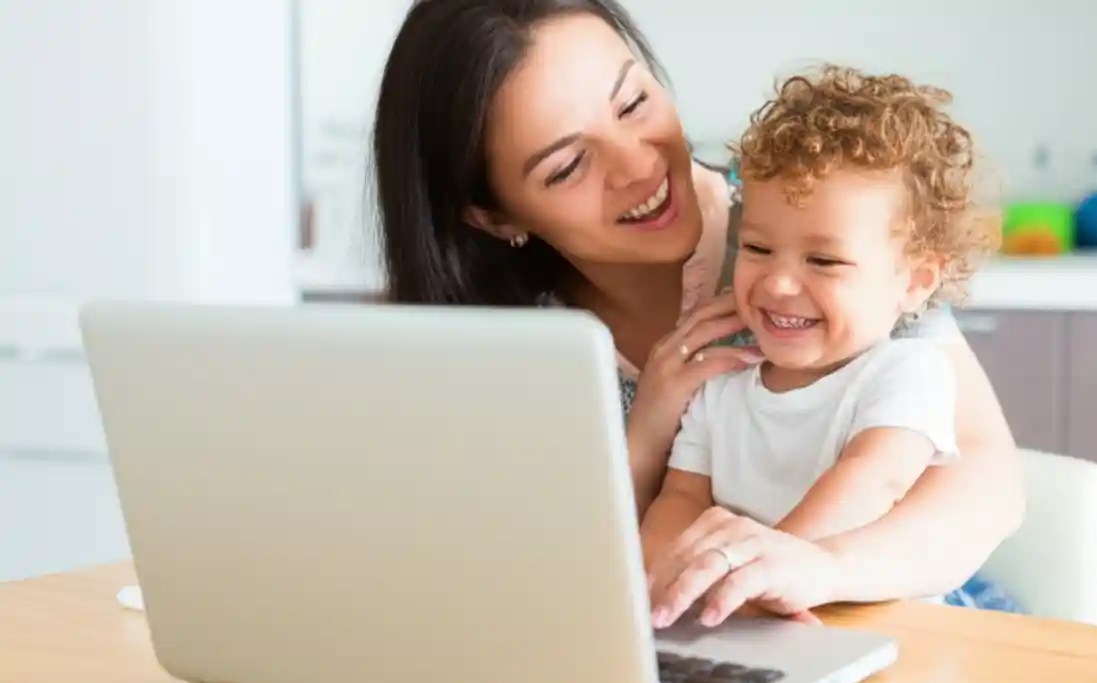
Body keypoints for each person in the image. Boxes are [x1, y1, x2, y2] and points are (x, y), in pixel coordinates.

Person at [371, 0, 1024, 614]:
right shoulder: (513, 349)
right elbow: (529, 581)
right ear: (492, 214)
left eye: (633, 103)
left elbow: (987, 488)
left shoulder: (810, 214)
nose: (639, 167)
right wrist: (648, 433)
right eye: (569, 166)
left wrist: (803, 570)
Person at [642, 66, 1000, 628]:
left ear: (914, 283)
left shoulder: (909, 372)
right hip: (757, 618)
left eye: (824, 261)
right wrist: (666, 574)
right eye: (758, 247)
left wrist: (764, 571)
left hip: (883, 622)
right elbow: (679, 501)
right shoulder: (722, 384)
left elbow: (873, 480)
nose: (779, 284)